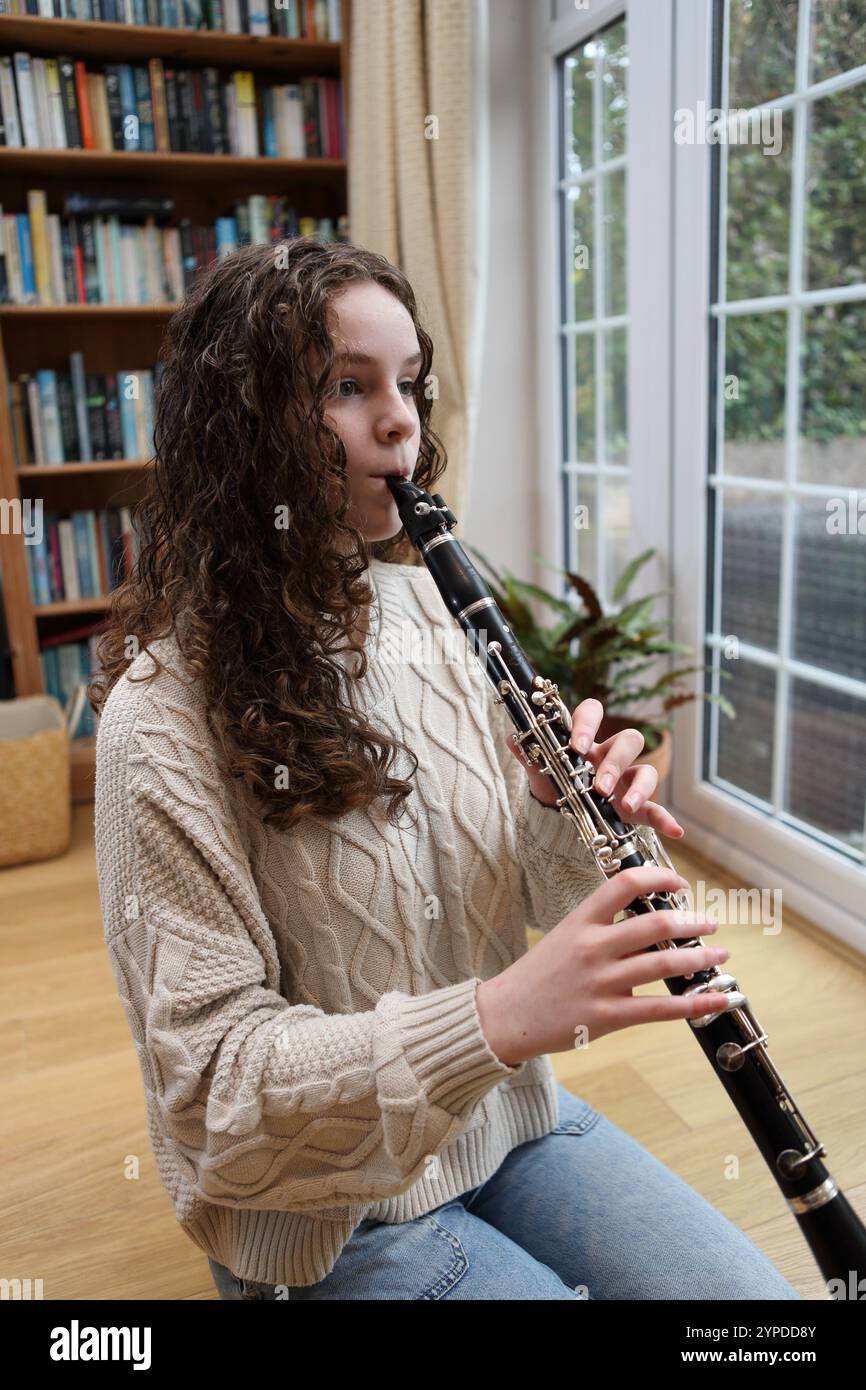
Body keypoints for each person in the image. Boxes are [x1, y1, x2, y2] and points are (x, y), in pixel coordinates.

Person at [90, 237, 801, 1301]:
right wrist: (490, 1018)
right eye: (347, 387)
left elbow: (548, 902)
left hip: (503, 1125)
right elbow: (212, 1094)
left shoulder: (436, 612)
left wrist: (561, 810)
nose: (400, 422)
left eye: (409, 383)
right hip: (324, 1214)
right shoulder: (156, 720)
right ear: (243, 424)